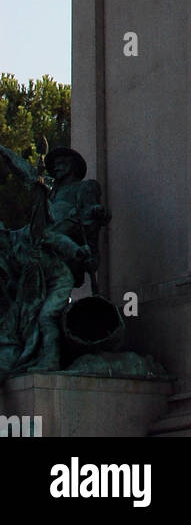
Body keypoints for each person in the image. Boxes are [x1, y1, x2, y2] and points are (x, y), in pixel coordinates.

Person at [0, 143, 106, 377]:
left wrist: (97, 216)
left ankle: (46, 357)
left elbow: (92, 220)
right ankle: (18, 354)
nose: (57, 167)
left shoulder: (84, 188)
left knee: (45, 314)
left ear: (75, 167)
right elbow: (28, 176)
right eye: (55, 164)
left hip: (60, 259)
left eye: (63, 163)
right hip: (38, 253)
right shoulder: (49, 191)